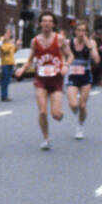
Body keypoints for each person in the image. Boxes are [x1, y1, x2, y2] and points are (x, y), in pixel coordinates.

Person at [15, 12, 69, 150]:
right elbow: (30, 60)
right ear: (40, 23)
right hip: (41, 80)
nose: (46, 23)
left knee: (56, 115)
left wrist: (66, 65)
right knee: (43, 111)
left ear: (54, 24)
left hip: (56, 80)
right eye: (44, 21)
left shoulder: (60, 39)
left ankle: (60, 113)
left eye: (49, 21)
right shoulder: (35, 41)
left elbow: (70, 56)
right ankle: (46, 138)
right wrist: (22, 70)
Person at [65, 21, 100, 139]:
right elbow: (61, 54)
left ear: (86, 32)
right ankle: (77, 114)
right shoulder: (68, 43)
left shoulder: (91, 43)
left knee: (82, 105)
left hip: (85, 75)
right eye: (79, 30)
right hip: (72, 75)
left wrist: (89, 46)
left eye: (83, 31)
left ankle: (80, 126)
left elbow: (97, 60)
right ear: (75, 32)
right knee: (73, 104)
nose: (81, 33)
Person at [0, 27, 17, 101]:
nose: (8, 35)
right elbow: (4, 50)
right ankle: (4, 96)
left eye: (9, 33)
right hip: (5, 63)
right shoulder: (2, 42)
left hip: (11, 63)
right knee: (5, 79)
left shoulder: (10, 43)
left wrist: (17, 45)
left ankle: (5, 95)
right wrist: (10, 44)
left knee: (8, 80)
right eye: (7, 33)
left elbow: (14, 50)